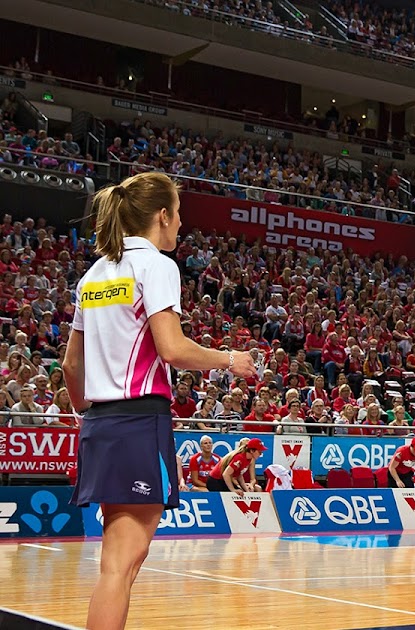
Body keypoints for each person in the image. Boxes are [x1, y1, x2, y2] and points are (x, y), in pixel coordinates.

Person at [63, 172, 256, 629]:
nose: (181, 225)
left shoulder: (94, 275)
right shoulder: (155, 266)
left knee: (118, 562)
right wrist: (231, 360)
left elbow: (72, 366)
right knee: (120, 566)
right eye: (179, 215)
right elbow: (173, 349)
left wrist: (83, 414)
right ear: (162, 215)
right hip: (138, 422)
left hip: (101, 425)